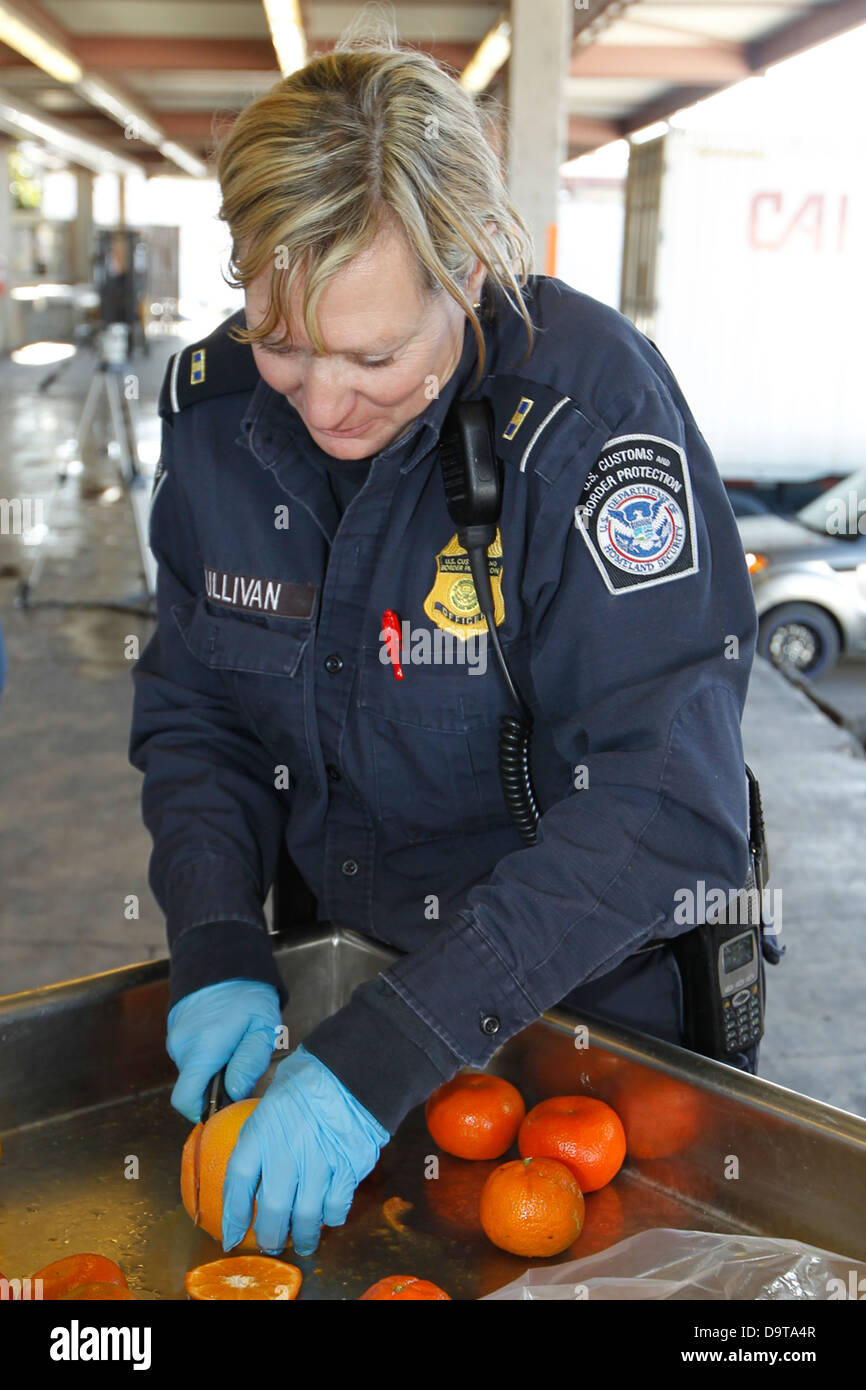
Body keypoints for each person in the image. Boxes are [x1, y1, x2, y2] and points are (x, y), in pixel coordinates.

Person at [128, 38, 759, 1259]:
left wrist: (383, 1055)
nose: (320, 403)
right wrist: (215, 938)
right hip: (343, 986)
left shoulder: (591, 419)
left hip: (579, 1017)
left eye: (373, 358)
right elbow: (200, 710)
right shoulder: (212, 416)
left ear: (466, 270)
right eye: (283, 342)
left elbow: (662, 804)